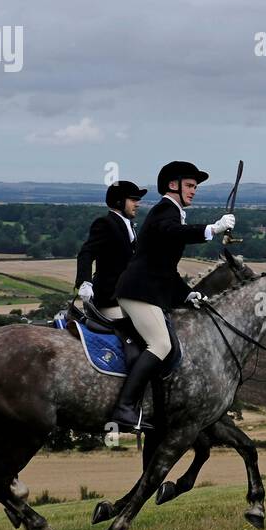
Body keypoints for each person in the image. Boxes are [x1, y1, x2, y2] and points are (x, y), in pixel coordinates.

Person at [110, 161, 236, 431]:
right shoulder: (166, 211)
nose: (193, 191)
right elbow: (173, 233)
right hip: (138, 292)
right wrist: (213, 229)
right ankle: (124, 408)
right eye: (190, 185)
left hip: (145, 290)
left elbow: (166, 270)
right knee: (161, 345)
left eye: (195, 187)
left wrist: (188, 295)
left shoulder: (171, 213)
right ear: (172, 185)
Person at [74, 181, 146, 320]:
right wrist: (85, 282)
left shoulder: (128, 226)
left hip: (129, 298)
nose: (137, 204)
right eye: (133, 200)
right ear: (119, 202)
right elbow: (86, 253)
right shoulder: (105, 224)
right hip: (110, 300)